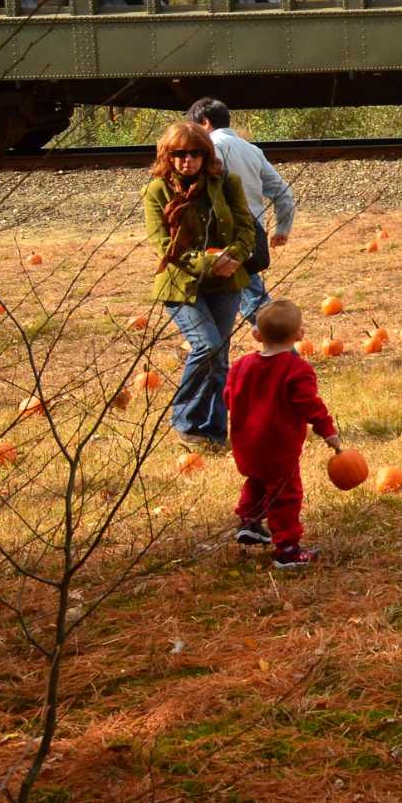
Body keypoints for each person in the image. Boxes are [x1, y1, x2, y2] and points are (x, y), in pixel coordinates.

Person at [142, 121, 254, 451]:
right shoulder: (156, 191)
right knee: (206, 346)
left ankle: (215, 431)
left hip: (226, 282)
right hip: (181, 285)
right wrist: (209, 263)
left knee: (219, 357)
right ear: (167, 155)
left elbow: (246, 230)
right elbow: (163, 246)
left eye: (194, 154)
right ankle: (185, 420)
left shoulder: (227, 183)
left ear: (206, 155)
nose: (186, 161)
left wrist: (234, 256)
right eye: (178, 154)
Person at [225, 299, 343, 569]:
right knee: (285, 496)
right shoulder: (296, 370)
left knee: (256, 479)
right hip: (277, 448)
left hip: (246, 445)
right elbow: (310, 406)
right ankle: (287, 549)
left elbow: (228, 397)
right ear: (300, 335)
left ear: (257, 335)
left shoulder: (240, 365)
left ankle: (250, 520)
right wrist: (328, 432)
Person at [187, 98, 296, 325]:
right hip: (252, 235)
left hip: (223, 238)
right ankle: (207, 350)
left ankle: (285, 347)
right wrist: (282, 228)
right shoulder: (253, 150)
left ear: (204, 122)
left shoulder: (208, 151)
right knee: (241, 296)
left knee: (254, 305)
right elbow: (283, 193)